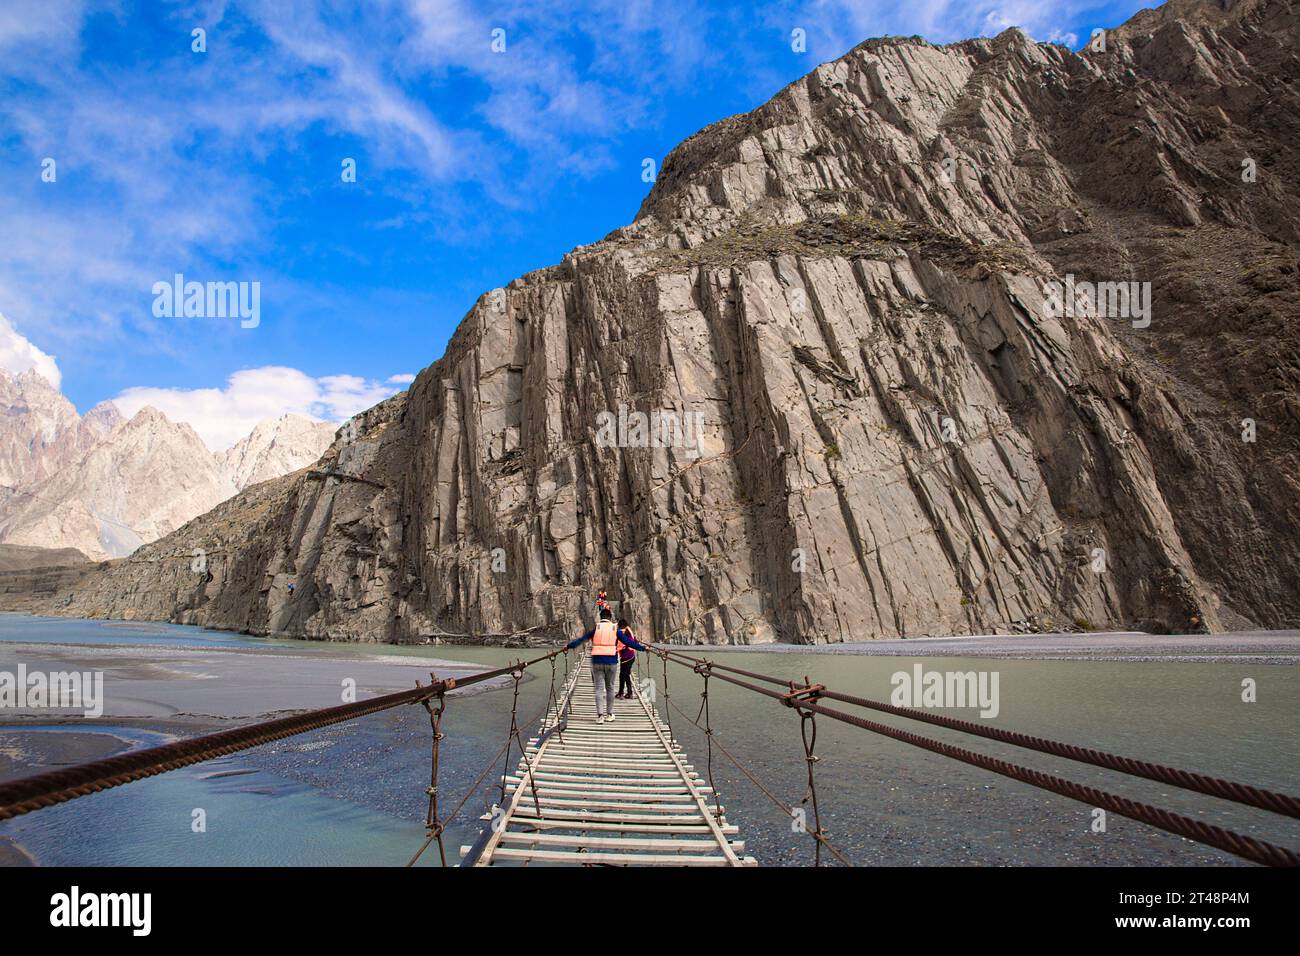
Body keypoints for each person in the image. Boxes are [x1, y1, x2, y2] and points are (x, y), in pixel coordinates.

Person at [567, 608, 649, 723]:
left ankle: (600, 716)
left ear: (601, 618)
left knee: (599, 689)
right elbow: (628, 642)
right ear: (610, 618)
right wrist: (643, 648)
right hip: (611, 662)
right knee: (610, 688)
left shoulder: (596, 628)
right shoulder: (615, 629)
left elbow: (581, 640)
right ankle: (609, 714)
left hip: (597, 662)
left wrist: (568, 646)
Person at [616, 617, 638, 699]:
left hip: (626, 657)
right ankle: (629, 693)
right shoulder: (629, 631)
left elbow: (621, 645)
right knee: (627, 675)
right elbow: (635, 641)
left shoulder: (623, 632)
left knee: (622, 675)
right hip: (632, 656)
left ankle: (621, 693)